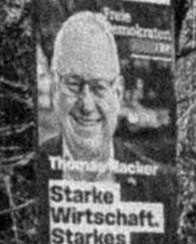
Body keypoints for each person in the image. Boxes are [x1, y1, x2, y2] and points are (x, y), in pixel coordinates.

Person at [45, 10, 138, 167]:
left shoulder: (159, 183)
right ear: (55, 88)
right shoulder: (30, 169)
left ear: (118, 93)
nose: (87, 106)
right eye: (74, 84)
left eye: (99, 87)